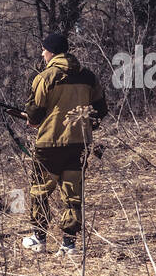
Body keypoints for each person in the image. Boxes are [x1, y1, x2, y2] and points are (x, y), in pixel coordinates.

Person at [22, 32, 107, 256]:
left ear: (51, 52)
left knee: (39, 190)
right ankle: (69, 244)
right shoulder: (88, 76)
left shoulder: (45, 77)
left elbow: (34, 113)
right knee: (72, 193)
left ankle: (39, 238)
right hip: (79, 143)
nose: (42, 53)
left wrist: (32, 120)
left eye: (43, 49)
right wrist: (87, 128)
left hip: (49, 144)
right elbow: (101, 110)